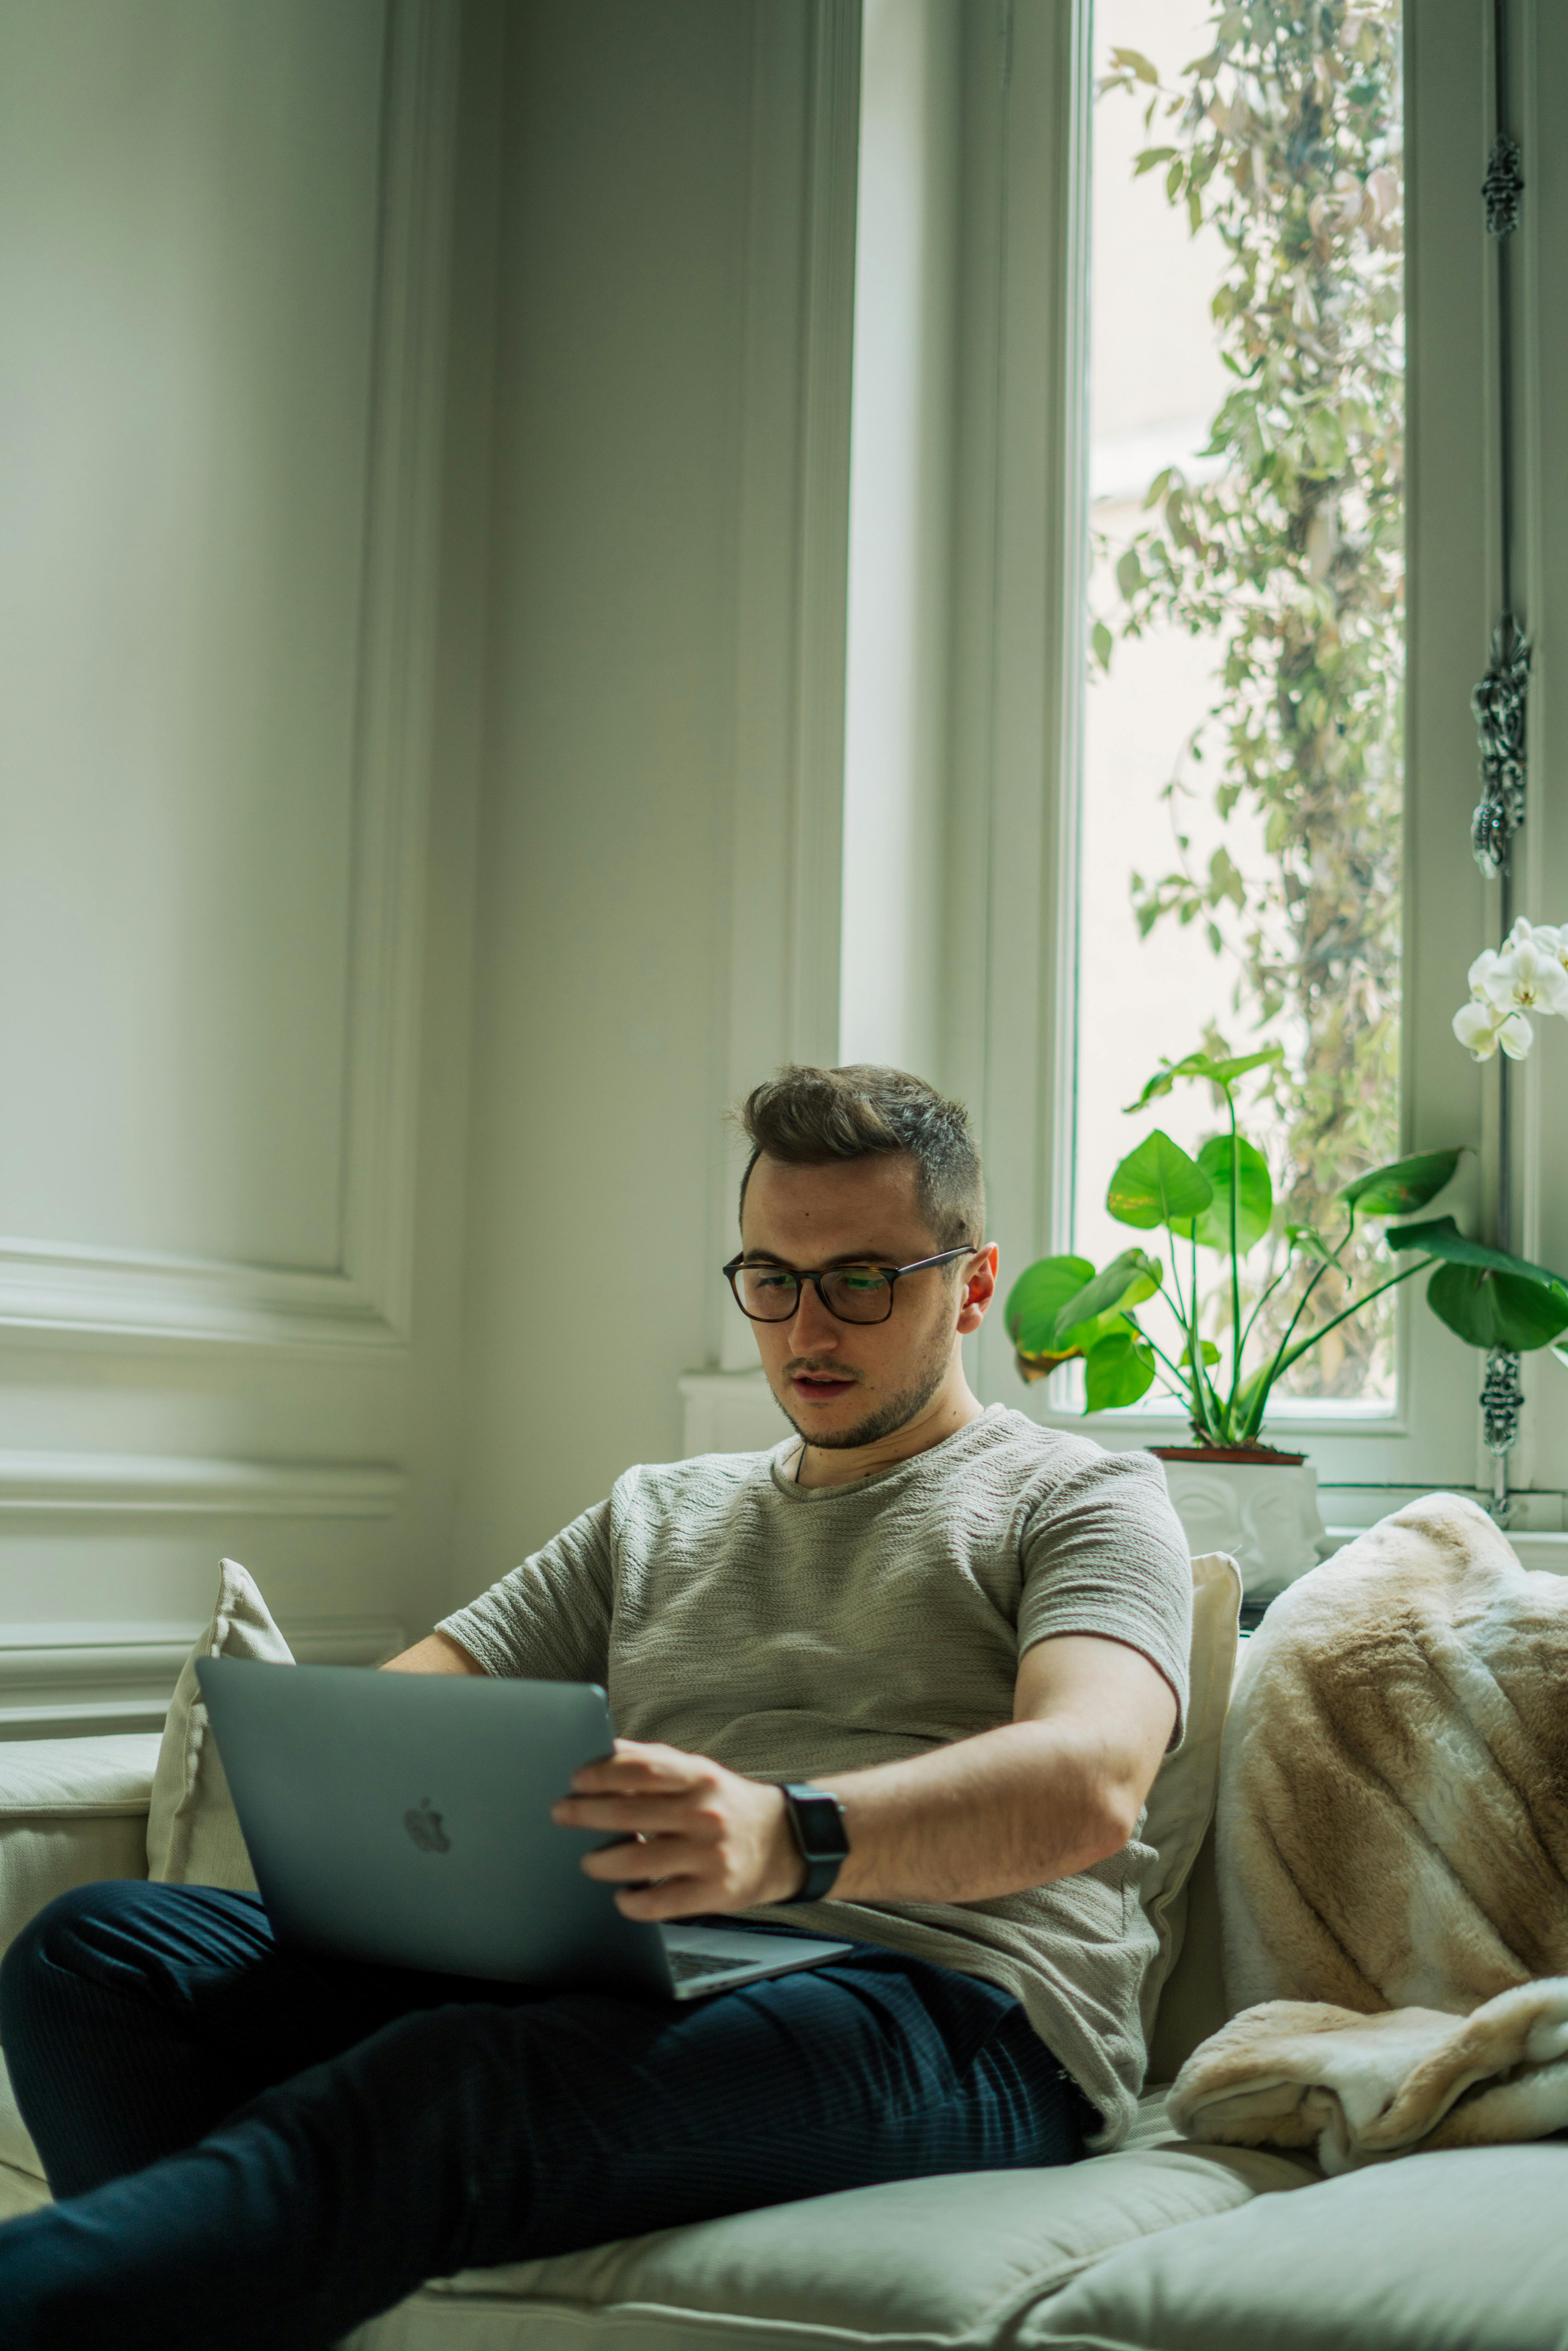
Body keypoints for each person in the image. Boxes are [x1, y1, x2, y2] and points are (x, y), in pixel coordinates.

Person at [0, 1064, 1192, 2351]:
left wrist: (784, 1834)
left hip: (957, 2005)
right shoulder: (658, 1514)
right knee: (96, 1955)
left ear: (970, 1282)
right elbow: (405, 1716)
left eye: (861, 1279)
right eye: (771, 1279)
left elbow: (1089, 1777)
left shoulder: (1079, 1496)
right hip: (659, 1963)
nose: (807, 1328)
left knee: (459, 2083)